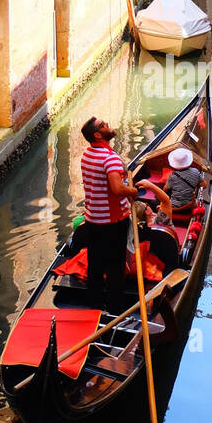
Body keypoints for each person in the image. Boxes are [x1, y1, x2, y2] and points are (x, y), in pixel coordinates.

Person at [80, 116, 138, 314]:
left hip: (92, 219)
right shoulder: (110, 158)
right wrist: (132, 191)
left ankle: (94, 306)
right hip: (113, 222)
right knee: (115, 267)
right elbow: (116, 189)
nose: (108, 125)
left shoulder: (87, 154)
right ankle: (115, 309)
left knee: (95, 264)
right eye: (103, 125)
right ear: (97, 134)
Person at [165, 147, 203, 214]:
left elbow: (165, 189)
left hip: (174, 206)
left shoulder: (172, 176)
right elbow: (204, 185)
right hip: (189, 207)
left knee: (155, 200)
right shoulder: (196, 171)